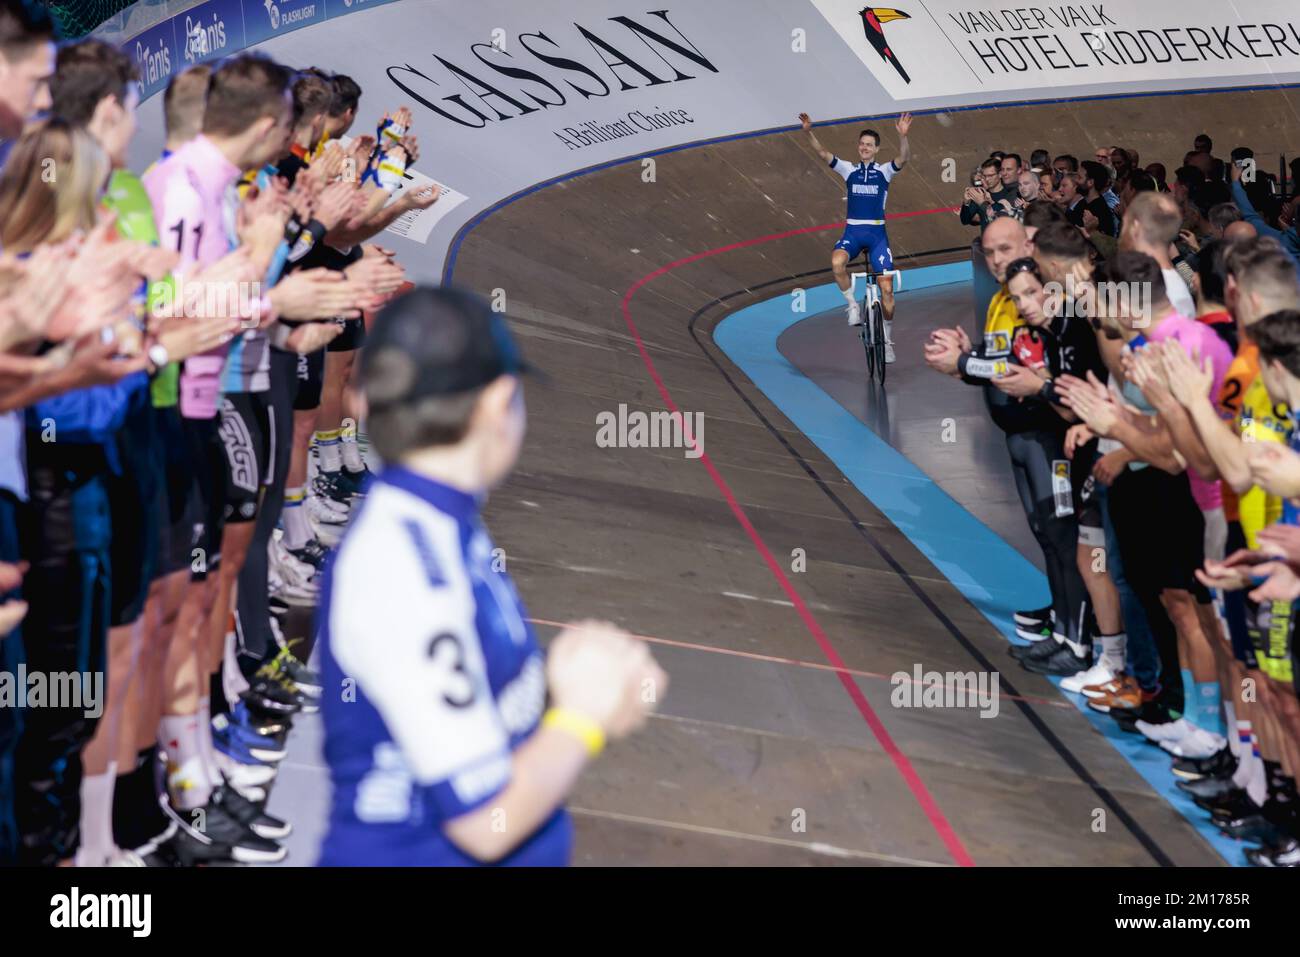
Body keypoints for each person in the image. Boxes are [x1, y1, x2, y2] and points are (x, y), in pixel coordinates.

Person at [317, 286, 667, 865]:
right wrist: (584, 716)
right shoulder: (404, 561)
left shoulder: (436, 521)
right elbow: (483, 819)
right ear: (497, 403)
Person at [798, 111, 911, 361]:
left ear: (877, 149)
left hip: (877, 235)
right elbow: (823, 153)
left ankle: (888, 340)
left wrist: (903, 137)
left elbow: (904, 158)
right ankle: (851, 305)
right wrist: (809, 133)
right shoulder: (849, 170)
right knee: (837, 263)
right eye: (862, 144)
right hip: (853, 232)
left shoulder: (884, 172)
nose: (864, 148)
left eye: (869, 145)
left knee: (887, 291)